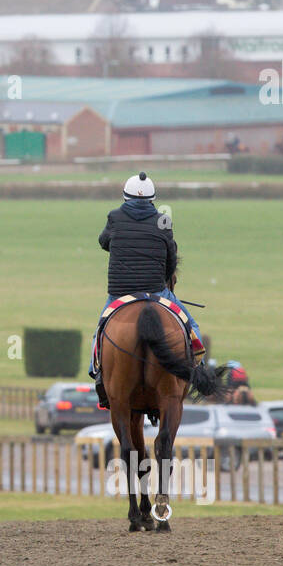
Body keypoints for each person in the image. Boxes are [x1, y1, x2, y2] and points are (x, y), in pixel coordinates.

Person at [88, 172, 205, 409]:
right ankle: (198, 370)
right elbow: (171, 258)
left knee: (100, 330)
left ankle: (97, 373)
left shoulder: (115, 216)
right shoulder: (163, 221)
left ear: (125, 196)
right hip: (156, 292)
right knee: (191, 326)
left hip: (120, 294)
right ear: (152, 199)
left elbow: (103, 242)